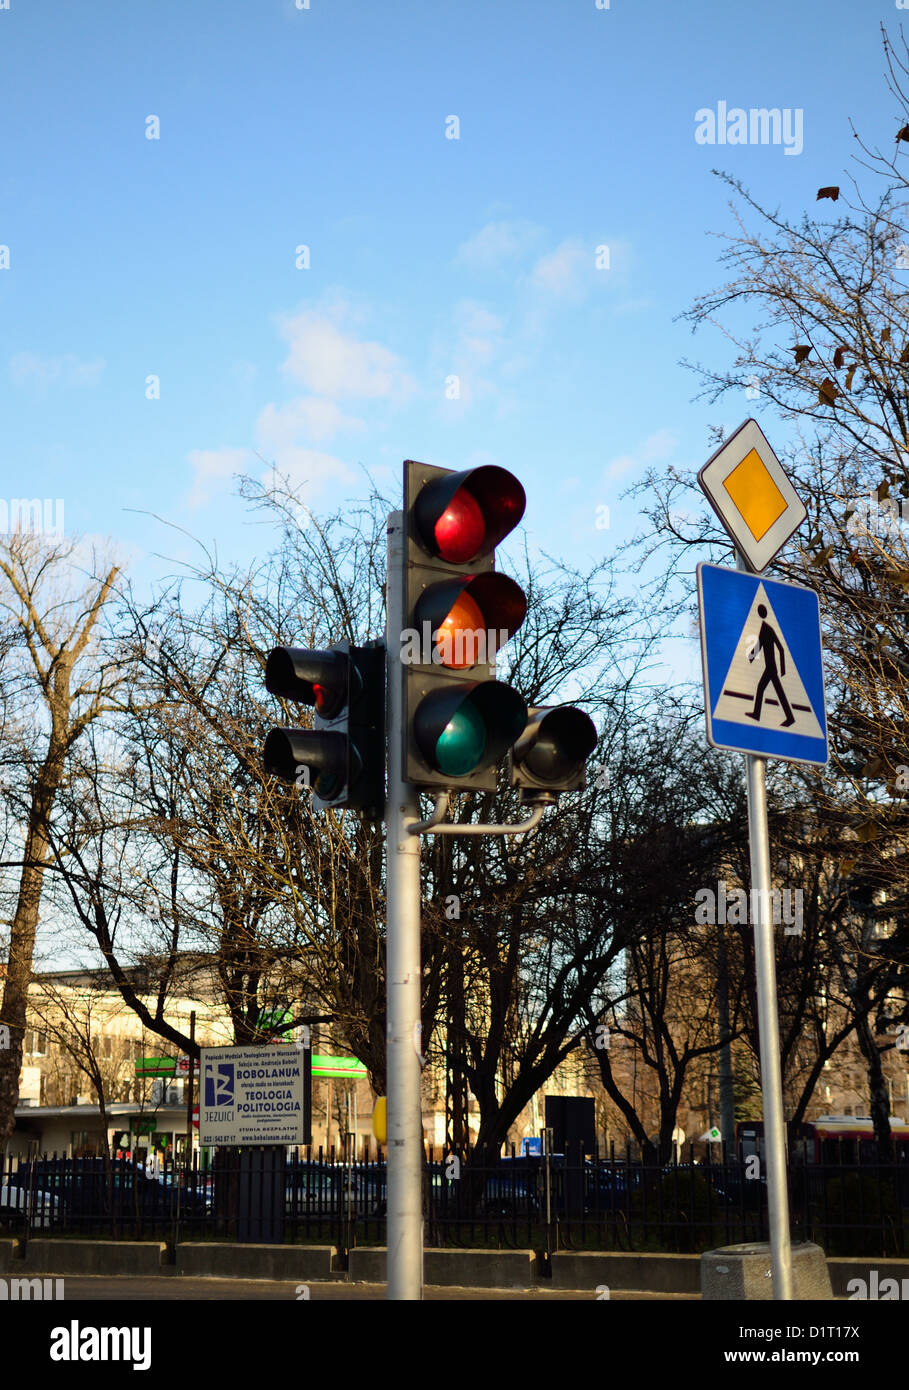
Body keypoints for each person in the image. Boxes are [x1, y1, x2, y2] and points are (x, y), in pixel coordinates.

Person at [746, 605, 794, 727]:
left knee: (774, 691)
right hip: (770, 667)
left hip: (771, 667)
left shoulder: (767, 629)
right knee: (766, 689)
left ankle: (789, 718)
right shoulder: (764, 628)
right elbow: (758, 646)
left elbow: (781, 649)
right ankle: (758, 714)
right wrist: (748, 659)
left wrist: (783, 669)